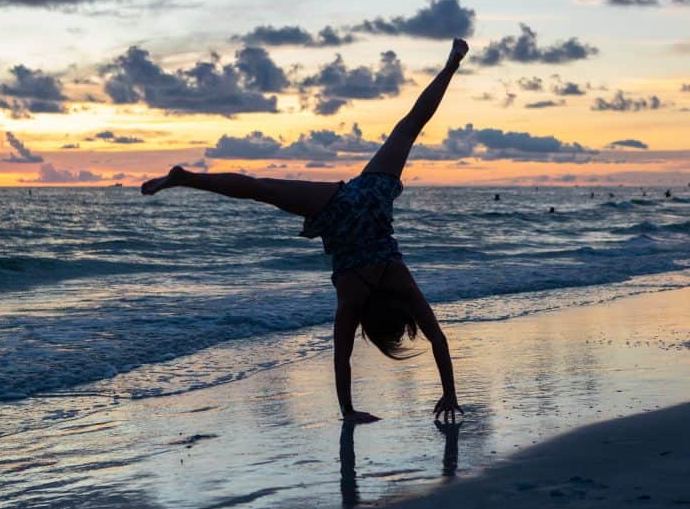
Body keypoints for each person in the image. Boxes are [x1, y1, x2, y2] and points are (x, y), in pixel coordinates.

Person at [141, 38, 469, 425]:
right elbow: (342, 357)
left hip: (363, 198)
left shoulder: (394, 282)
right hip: (338, 213)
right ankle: (188, 179)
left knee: (408, 126)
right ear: (372, 325)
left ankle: (451, 66)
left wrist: (450, 391)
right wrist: (350, 410)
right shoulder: (353, 296)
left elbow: (437, 340)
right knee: (264, 191)